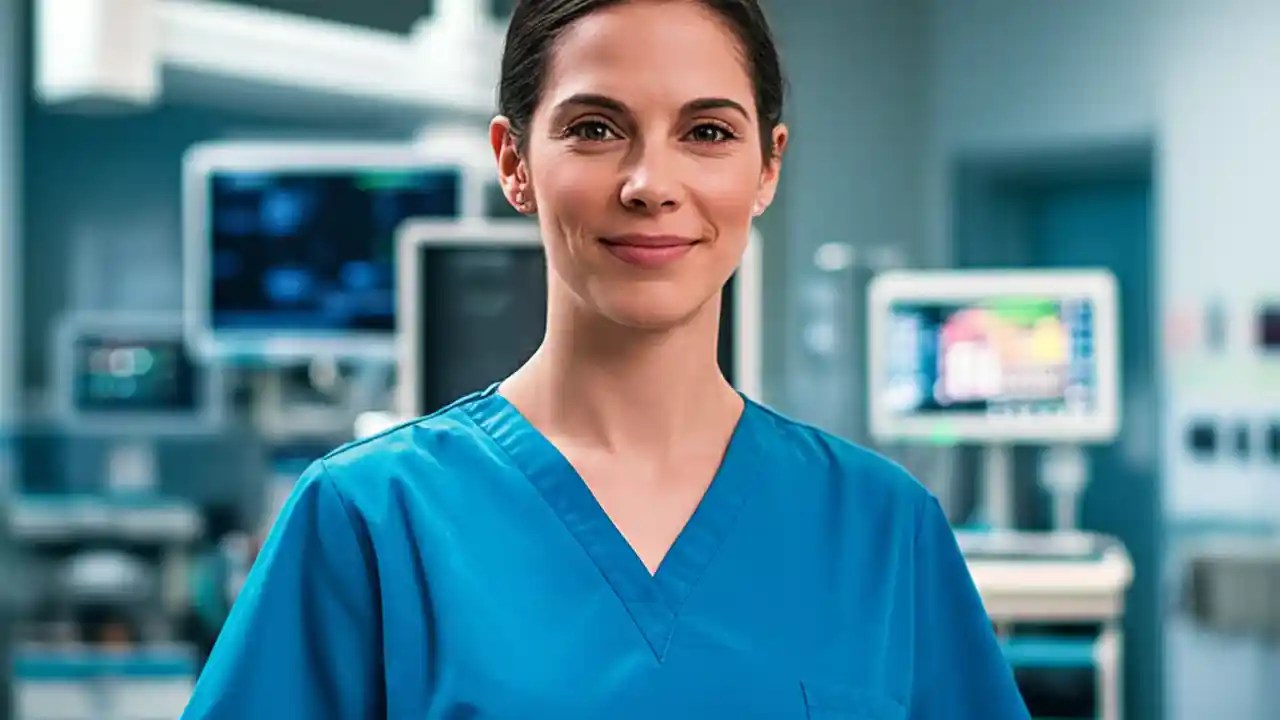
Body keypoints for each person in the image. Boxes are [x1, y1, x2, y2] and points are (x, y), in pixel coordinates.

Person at [180, 0, 1030, 718]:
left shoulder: (883, 530)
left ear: (769, 167)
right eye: (595, 128)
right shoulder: (373, 518)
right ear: (514, 162)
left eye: (706, 131)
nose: (650, 183)